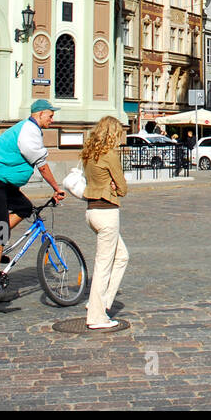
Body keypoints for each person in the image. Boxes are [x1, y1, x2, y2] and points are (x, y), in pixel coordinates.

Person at [0, 99, 66, 303]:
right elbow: (41, 165)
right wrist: (56, 188)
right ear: (39, 114)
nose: (52, 119)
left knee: (24, 207)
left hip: (0, 179)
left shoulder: (30, 129)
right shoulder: (29, 131)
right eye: (50, 115)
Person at [80, 115, 130, 332]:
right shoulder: (109, 155)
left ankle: (100, 301)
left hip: (92, 210)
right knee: (103, 265)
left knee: (122, 257)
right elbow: (123, 188)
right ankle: (97, 316)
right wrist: (114, 186)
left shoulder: (89, 154)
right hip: (107, 212)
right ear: (112, 133)